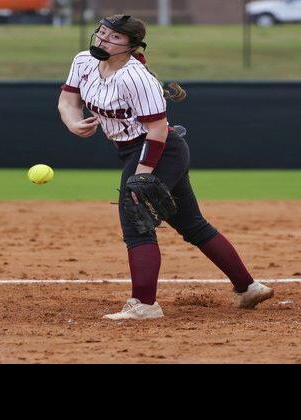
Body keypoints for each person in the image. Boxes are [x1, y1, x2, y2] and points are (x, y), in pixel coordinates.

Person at [57, 14, 274, 320]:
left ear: (131, 46)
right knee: (192, 225)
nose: (103, 39)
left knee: (136, 222)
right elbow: (67, 101)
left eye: (114, 37)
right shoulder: (83, 61)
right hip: (133, 149)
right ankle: (248, 287)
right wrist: (73, 122)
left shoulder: (136, 77)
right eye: (102, 32)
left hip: (157, 150)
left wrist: (143, 174)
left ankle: (144, 305)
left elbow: (157, 130)